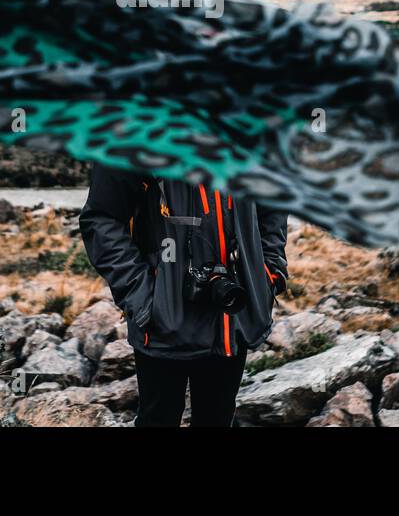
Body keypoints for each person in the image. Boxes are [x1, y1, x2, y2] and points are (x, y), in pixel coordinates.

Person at [80, 164, 289, 426]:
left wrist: (269, 271)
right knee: (158, 420)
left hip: (232, 310)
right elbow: (101, 219)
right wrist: (144, 298)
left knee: (218, 419)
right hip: (162, 318)